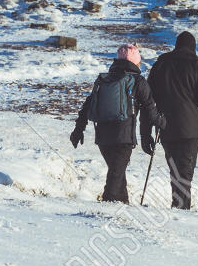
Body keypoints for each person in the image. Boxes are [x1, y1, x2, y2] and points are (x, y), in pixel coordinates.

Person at [145, 30, 198, 209]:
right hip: (190, 130)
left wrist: (145, 132)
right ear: (193, 47)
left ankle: (179, 207)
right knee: (184, 173)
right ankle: (181, 211)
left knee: (176, 172)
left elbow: (147, 99)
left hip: (165, 127)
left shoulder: (161, 64)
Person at [70, 44, 163, 203]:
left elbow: (88, 105)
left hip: (103, 137)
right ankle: (106, 207)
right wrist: (161, 122)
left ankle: (123, 204)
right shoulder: (137, 81)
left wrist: (78, 130)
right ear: (136, 62)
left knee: (118, 173)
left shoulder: (104, 80)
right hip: (123, 137)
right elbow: (150, 107)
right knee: (116, 175)